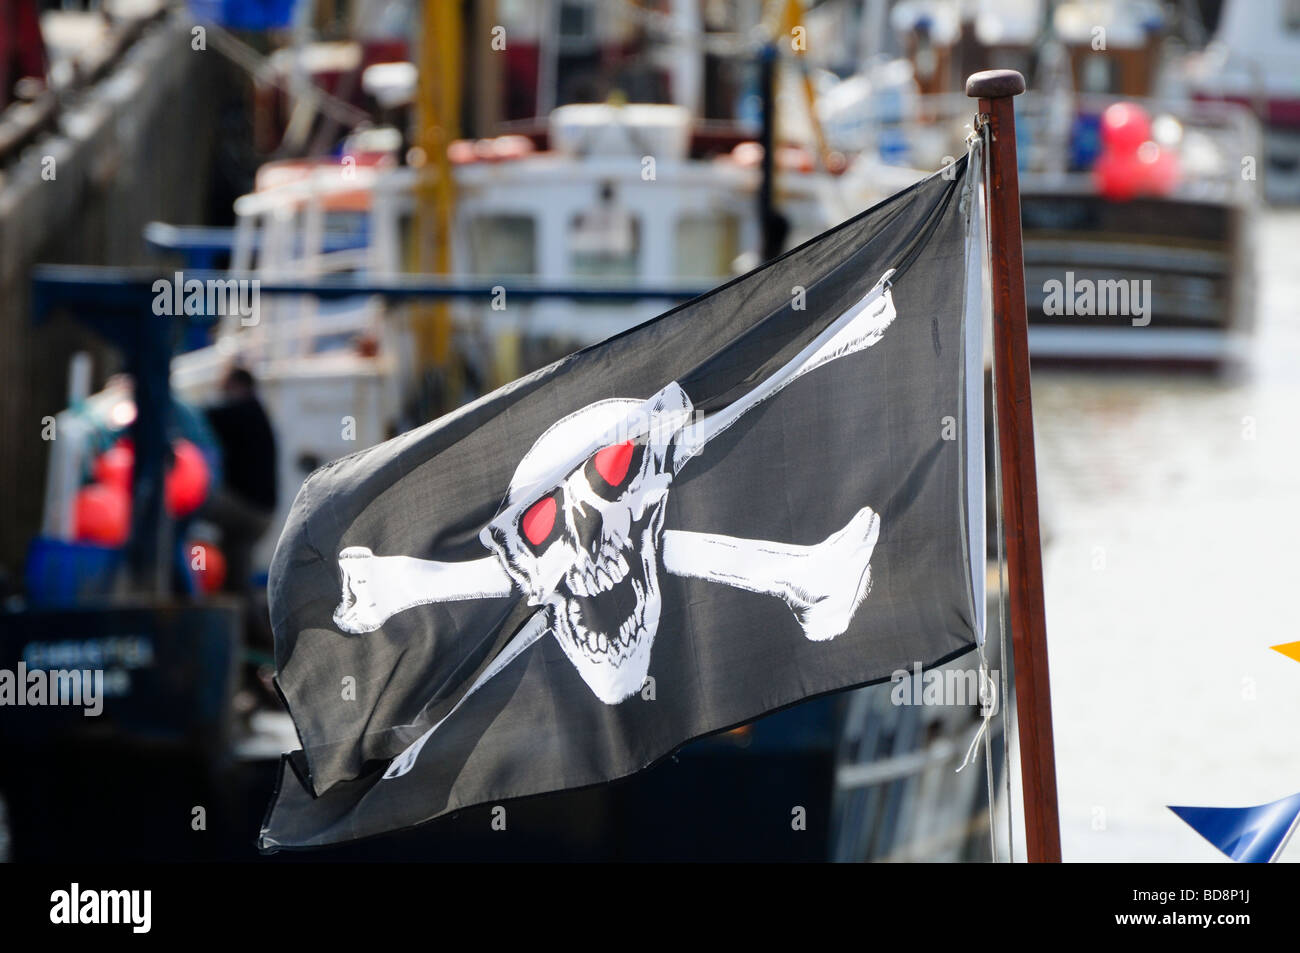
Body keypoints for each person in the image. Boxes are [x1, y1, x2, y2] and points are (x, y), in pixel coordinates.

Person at [201, 366, 277, 595]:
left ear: (237, 386)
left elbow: (207, 416)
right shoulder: (256, 412)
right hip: (261, 513)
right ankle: (249, 627)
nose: (222, 393)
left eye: (224, 388)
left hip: (248, 510)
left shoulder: (244, 411)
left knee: (194, 503)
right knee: (237, 584)